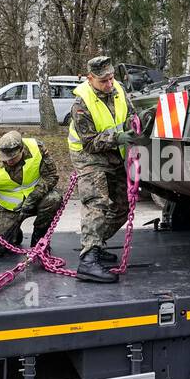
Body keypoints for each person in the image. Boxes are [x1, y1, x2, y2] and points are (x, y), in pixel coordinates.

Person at [68, 55, 133, 282]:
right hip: (88, 155)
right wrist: (119, 137)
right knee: (97, 201)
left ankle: (95, 243)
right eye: (103, 80)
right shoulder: (80, 105)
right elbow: (90, 143)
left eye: (111, 78)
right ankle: (88, 261)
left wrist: (136, 125)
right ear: (90, 79)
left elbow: (130, 115)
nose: (109, 84)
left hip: (114, 153)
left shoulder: (119, 90)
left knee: (123, 204)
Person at [0, 130, 60, 257]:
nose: (9, 161)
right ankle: (14, 232)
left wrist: (32, 199)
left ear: (22, 149)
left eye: (12, 158)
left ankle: (39, 242)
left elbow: (51, 176)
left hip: (36, 200)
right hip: (8, 209)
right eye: (5, 158)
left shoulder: (37, 149)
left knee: (54, 199)